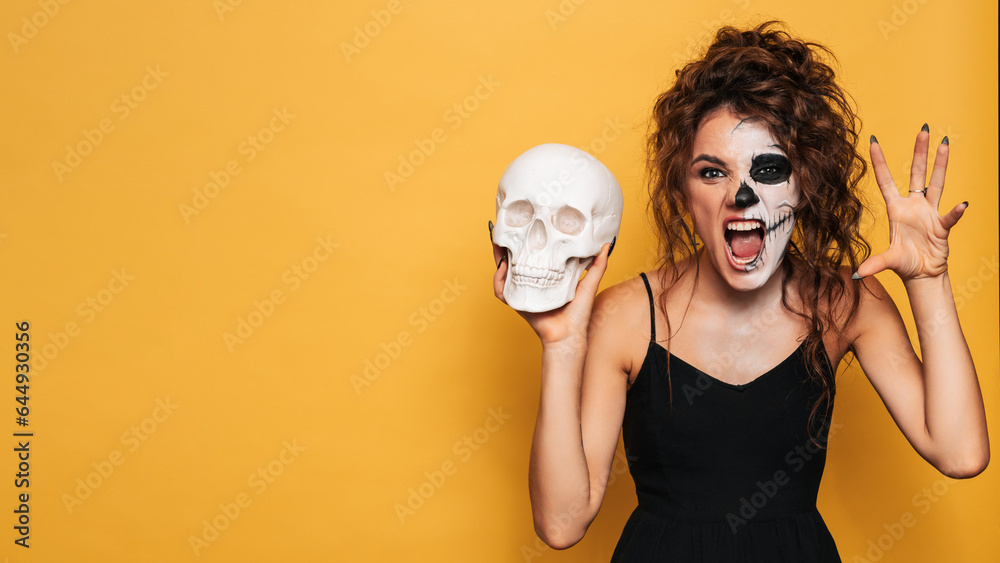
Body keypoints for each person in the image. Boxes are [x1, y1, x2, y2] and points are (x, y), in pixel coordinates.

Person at [489, 21, 989, 562]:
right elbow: (561, 526)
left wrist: (928, 281)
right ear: (683, 192)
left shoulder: (846, 304)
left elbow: (960, 452)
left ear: (805, 184)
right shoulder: (628, 315)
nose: (741, 195)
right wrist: (562, 348)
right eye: (712, 172)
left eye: (768, 169)